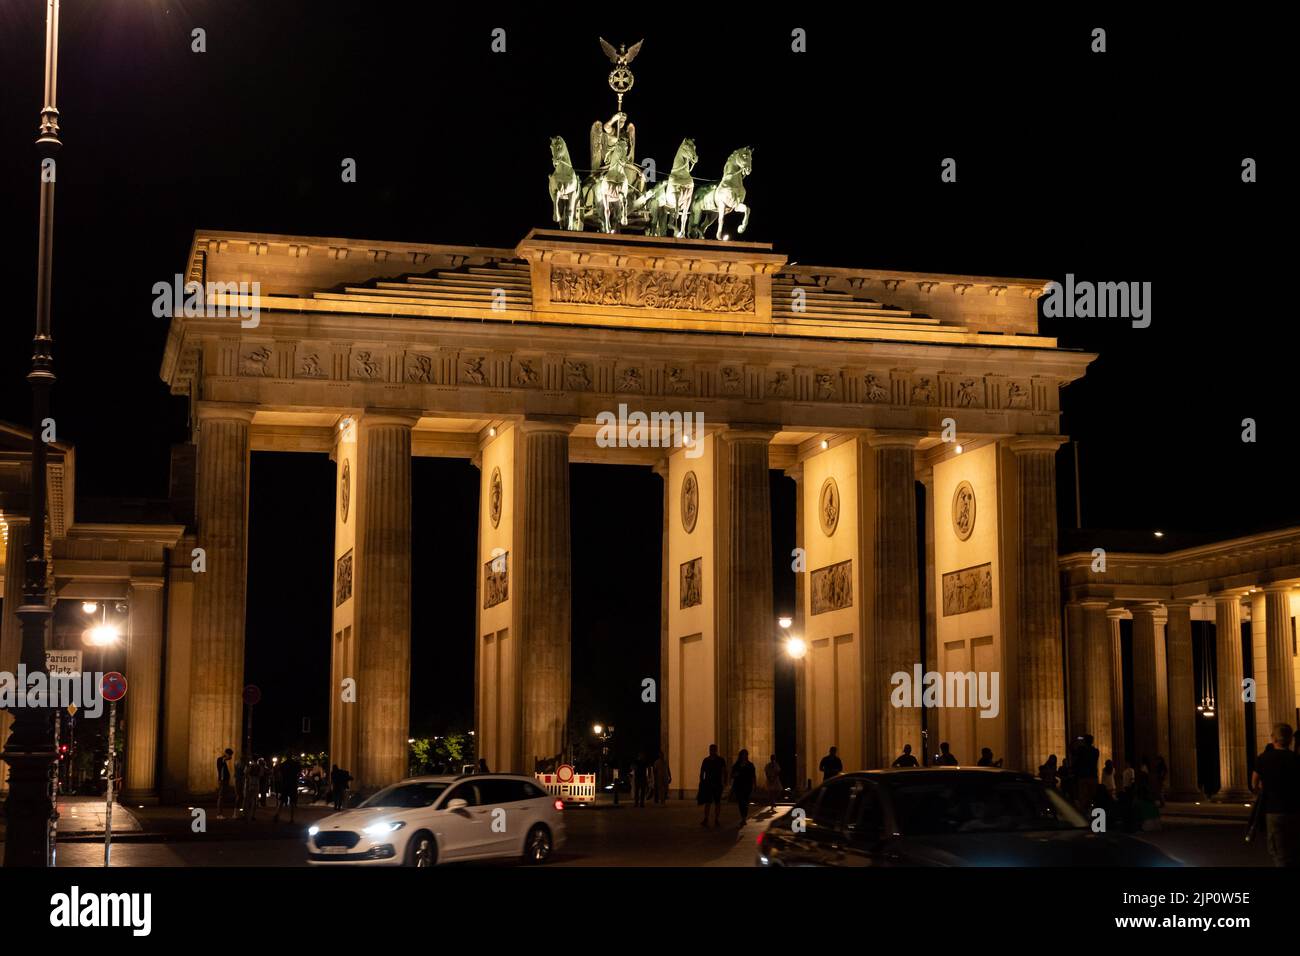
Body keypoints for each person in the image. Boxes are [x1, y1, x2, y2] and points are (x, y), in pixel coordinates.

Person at [1250, 723, 1300, 866]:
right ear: (1290, 739)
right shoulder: (1296, 759)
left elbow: (1254, 784)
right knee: (1295, 850)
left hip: (1273, 810)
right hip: (1295, 810)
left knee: (1279, 852)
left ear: (1273, 739)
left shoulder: (1263, 759)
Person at [697, 744, 727, 828]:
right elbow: (703, 772)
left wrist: (724, 781)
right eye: (711, 749)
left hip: (717, 784)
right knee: (708, 802)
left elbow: (724, 771)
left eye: (713, 749)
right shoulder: (706, 760)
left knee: (717, 802)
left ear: (716, 750)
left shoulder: (720, 760)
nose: (712, 751)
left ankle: (716, 819)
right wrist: (702, 781)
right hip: (708, 784)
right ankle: (706, 818)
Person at [730, 749, 756, 826]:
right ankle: (743, 817)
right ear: (741, 755)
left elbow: (753, 775)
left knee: (745, 801)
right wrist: (735, 775)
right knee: (741, 802)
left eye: (746, 754)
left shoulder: (750, 765)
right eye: (743, 754)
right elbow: (732, 775)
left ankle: (744, 817)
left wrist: (755, 785)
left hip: (747, 785)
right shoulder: (737, 765)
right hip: (738, 785)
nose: (745, 756)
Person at [274, 754, 301, 823]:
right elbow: (299, 773)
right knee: (292, 802)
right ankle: (291, 818)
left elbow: (279, 773)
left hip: (285, 784)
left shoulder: (283, 764)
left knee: (282, 800)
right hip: (292, 784)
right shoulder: (295, 764)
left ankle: (277, 815)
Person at [216, 748, 233, 819]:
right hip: (223, 780)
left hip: (224, 780)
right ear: (226, 754)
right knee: (221, 796)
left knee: (222, 797)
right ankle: (219, 814)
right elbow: (221, 770)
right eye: (230, 755)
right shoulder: (221, 759)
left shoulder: (222, 760)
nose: (230, 757)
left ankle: (220, 813)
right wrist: (222, 779)